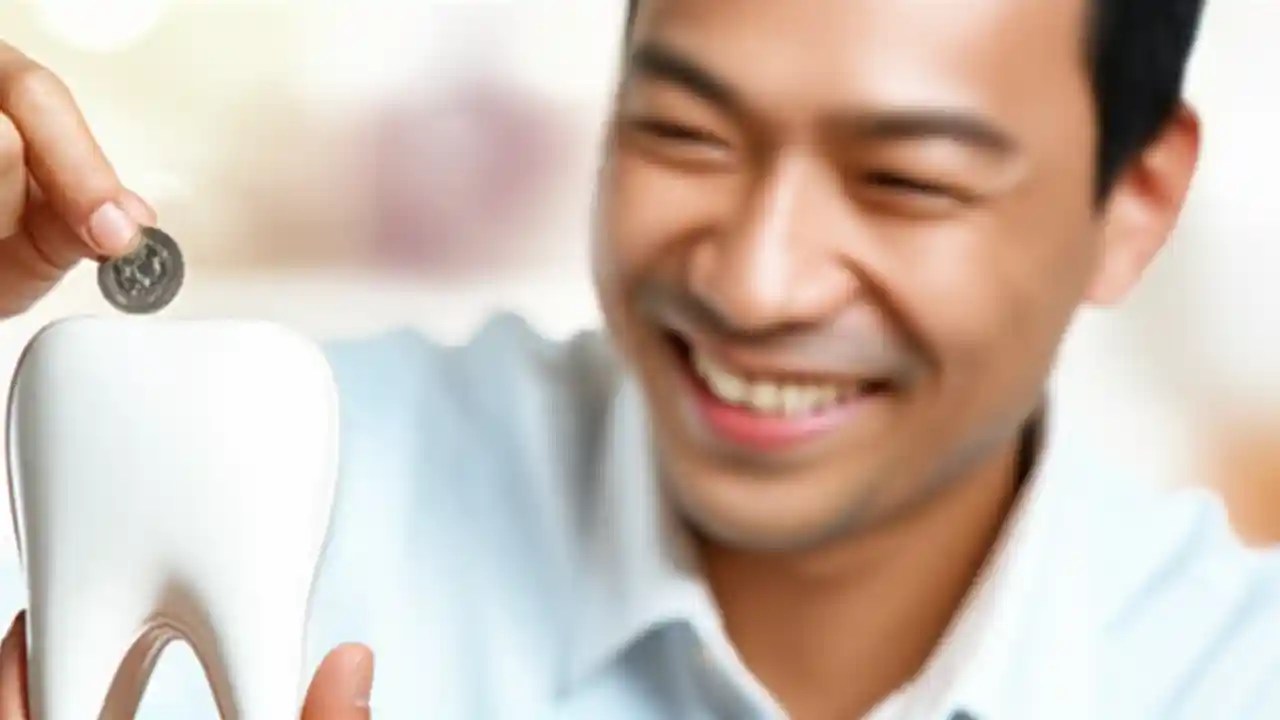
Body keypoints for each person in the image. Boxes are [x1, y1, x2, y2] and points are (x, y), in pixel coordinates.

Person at [1, 0, 1276, 717]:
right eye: (681, 131)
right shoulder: (264, 474)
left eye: (905, 179)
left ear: (1135, 201)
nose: (754, 281)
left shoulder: (1227, 676)